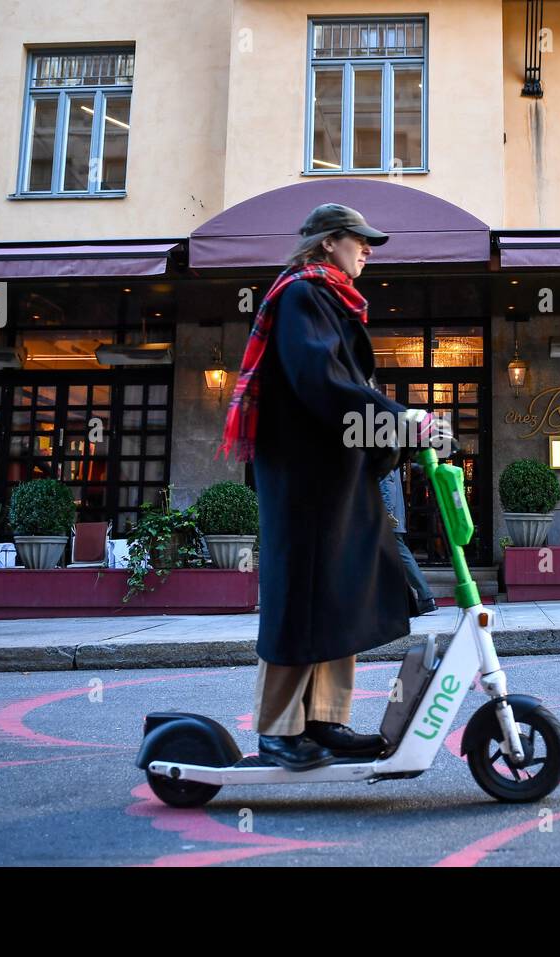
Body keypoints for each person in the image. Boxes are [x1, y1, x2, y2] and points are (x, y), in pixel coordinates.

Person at [218, 202, 453, 771]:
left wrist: (389, 435)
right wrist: (401, 419)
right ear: (327, 243)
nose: (367, 249)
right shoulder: (303, 294)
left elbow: (343, 388)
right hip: (306, 479)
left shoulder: (329, 299)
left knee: (339, 592)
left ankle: (323, 720)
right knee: (300, 597)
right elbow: (322, 383)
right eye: (359, 240)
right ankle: (279, 729)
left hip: (333, 474)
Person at [379, 466, 437, 615]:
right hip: (385, 515)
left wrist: (387, 514)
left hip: (385, 517)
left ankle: (425, 597)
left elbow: (387, 482)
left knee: (400, 555)